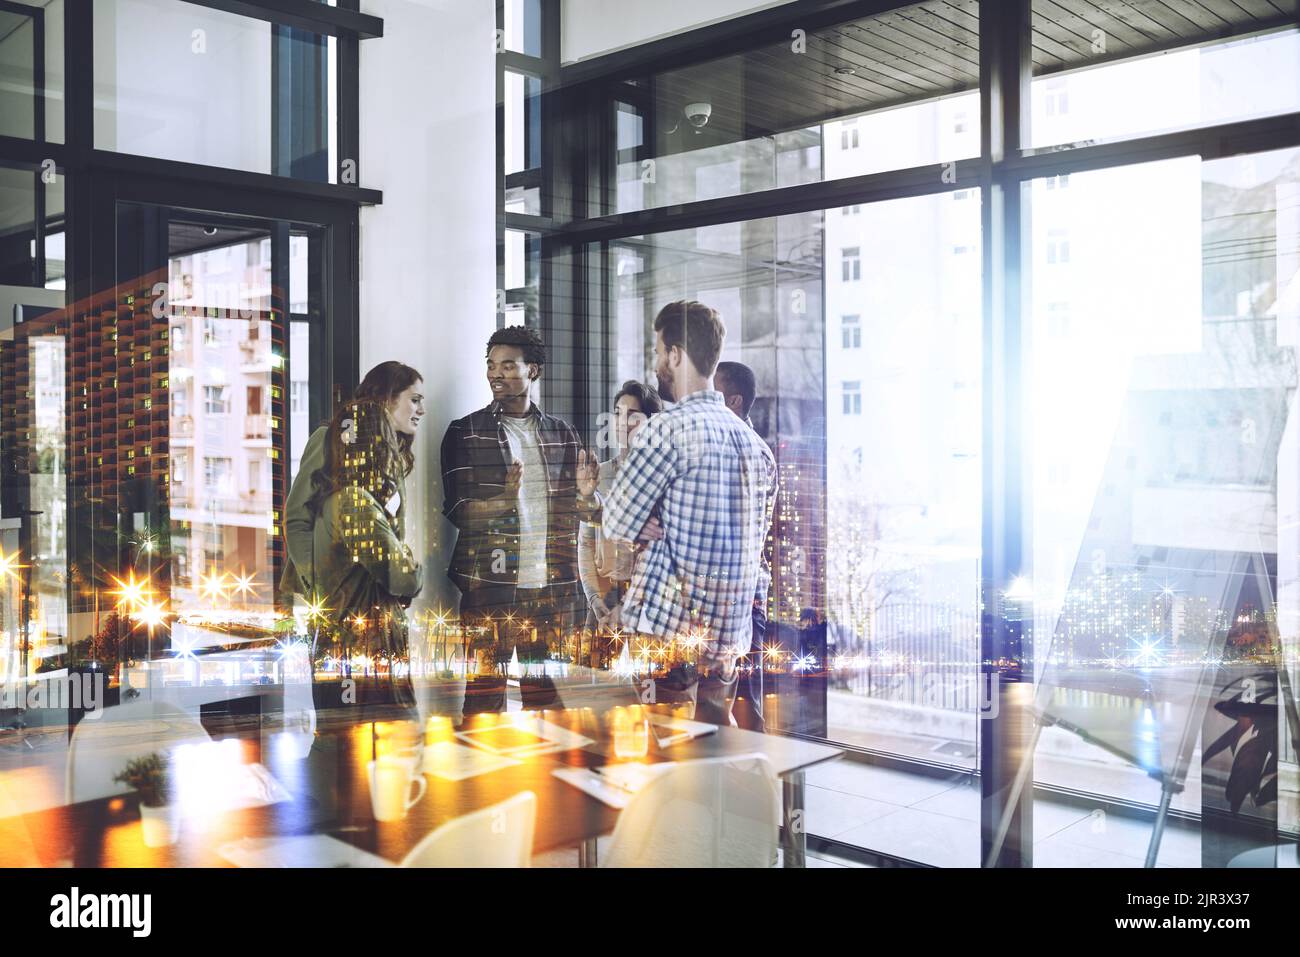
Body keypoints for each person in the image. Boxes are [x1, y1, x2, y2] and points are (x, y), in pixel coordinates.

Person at [602, 302, 777, 726]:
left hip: (668, 631)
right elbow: (756, 539)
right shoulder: (756, 447)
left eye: (658, 351)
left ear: (676, 354)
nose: (657, 362)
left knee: (662, 757)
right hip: (728, 636)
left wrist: (648, 518)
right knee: (714, 758)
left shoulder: (666, 429)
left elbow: (616, 523)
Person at [440, 326, 599, 710]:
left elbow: (583, 515)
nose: (496, 374)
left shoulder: (562, 434)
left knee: (548, 706)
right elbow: (460, 512)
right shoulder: (465, 432)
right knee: (483, 703)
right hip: (489, 589)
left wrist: (586, 495)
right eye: (492, 365)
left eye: (508, 366)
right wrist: (504, 500)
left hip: (551, 592)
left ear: (534, 371)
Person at [305, 398, 422, 712]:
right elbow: (403, 577)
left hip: (344, 655)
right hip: (365, 656)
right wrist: (409, 562)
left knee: (346, 750)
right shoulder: (355, 502)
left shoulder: (331, 499)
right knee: (388, 745)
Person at [281, 361, 425, 601]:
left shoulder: (392, 454)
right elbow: (297, 519)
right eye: (415, 400)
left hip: (372, 596)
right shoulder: (330, 437)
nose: (421, 410)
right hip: (333, 598)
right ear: (388, 399)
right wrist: (318, 582)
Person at [577, 380, 663, 665]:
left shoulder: (663, 479)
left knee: (647, 692)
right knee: (593, 692)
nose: (621, 423)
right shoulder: (598, 474)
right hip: (602, 600)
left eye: (632, 416)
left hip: (647, 606)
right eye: (617, 413)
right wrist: (595, 602)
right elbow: (585, 543)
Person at [715, 360, 773, 733]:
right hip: (727, 594)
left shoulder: (749, 454)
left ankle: (760, 783)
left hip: (741, 597)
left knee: (744, 699)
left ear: (733, 401)